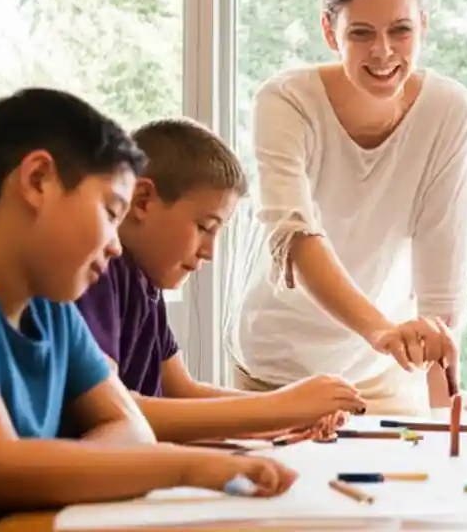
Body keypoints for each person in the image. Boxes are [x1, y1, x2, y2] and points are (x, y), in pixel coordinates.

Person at [0, 89, 295, 532]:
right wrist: (190, 467)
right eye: (110, 212)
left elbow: (133, 428)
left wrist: (55, 470)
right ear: (38, 180)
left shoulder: (54, 314)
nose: (115, 246)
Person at [232, 0, 467, 415]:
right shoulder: (285, 102)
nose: (383, 52)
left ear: (424, 25)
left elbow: (442, 262)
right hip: (276, 365)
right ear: (330, 31)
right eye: (361, 33)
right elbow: (294, 236)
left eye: (401, 31)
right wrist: (382, 330)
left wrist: (446, 414)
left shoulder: (448, 110)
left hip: (380, 372)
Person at [75, 117, 365, 442]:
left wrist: (292, 414)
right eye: (204, 227)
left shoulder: (145, 282)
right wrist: (278, 407)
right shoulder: (100, 272)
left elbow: (181, 391)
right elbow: (115, 411)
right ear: (142, 201)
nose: (209, 252)